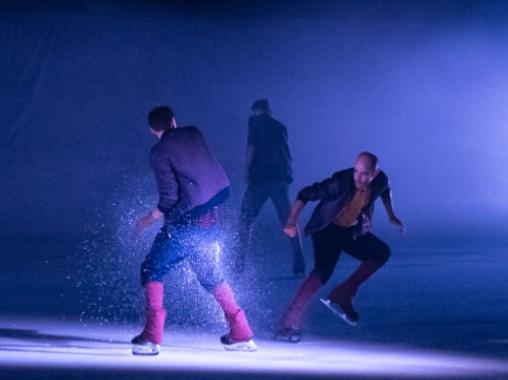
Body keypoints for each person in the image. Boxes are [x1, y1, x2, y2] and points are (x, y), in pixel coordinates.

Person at [132, 105, 257, 355]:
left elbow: (169, 198)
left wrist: (149, 218)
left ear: (152, 130)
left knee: (152, 268)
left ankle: (151, 337)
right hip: (211, 221)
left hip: (185, 225)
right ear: (173, 121)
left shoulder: (158, 153)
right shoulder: (194, 133)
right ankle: (241, 332)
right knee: (210, 276)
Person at [275, 151, 405, 342]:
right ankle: (288, 321)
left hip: (350, 231)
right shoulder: (340, 183)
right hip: (326, 229)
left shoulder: (380, 180)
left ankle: (344, 293)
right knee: (322, 272)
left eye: (364, 173)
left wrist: (391, 215)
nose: (359, 178)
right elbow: (305, 194)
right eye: (356, 171)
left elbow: (385, 190)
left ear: (374, 173)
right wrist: (291, 222)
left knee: (381, 253)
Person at [235, 99, 305, 276]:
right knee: (288, 220)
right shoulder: (280, 127)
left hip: (260, 177)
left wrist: (247, 171)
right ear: (269, 111)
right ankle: (300, 263)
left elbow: (252, 146)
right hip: (280, 177)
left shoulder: (254, 121)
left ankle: (238, 264)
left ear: (256, 111)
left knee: (245, 219)